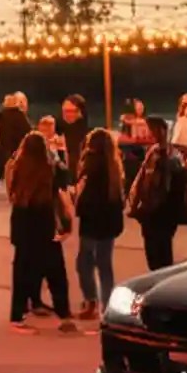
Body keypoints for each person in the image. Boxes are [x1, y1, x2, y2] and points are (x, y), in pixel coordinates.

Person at [5, 132, 78, 334]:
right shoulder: (50, 169)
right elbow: (62, 192)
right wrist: (68, 221)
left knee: (22, 270)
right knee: (56, 271)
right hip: (44, 221)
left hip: (22, 222)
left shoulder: (17, 167)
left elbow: (11, 192)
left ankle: (17, 316)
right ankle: (64, 315)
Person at [126, 117, 187, 270]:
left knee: (160, 252)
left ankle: (161, 283)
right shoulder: (155, 152)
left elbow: (178, 186)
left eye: (151, 130)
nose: (148, 134)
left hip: (161, 211)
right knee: (155, 251)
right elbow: (142, 180)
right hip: (153, 211)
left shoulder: (171, 156)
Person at [74, 128, 125, 319]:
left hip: (92, 222)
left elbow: (85, 196)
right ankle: (108, 304)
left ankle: (91, 301)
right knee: (105, 264)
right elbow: (119, 199)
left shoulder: (91, 164)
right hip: (109, 222)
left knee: (84, 263)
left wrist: (77, 204)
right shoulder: (114, 166)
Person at [0, 93, 31, 195]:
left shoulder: (0, 115)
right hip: (17, 146)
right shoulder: (20, 115)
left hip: (4, 145)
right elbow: (28, 131)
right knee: (17, 168)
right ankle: (15, 188)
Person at [56, 94, 89, 185]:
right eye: (65, 111)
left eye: (71, 111)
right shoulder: (57, 132)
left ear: (80, 112)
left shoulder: (88, 137)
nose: (67, 114)